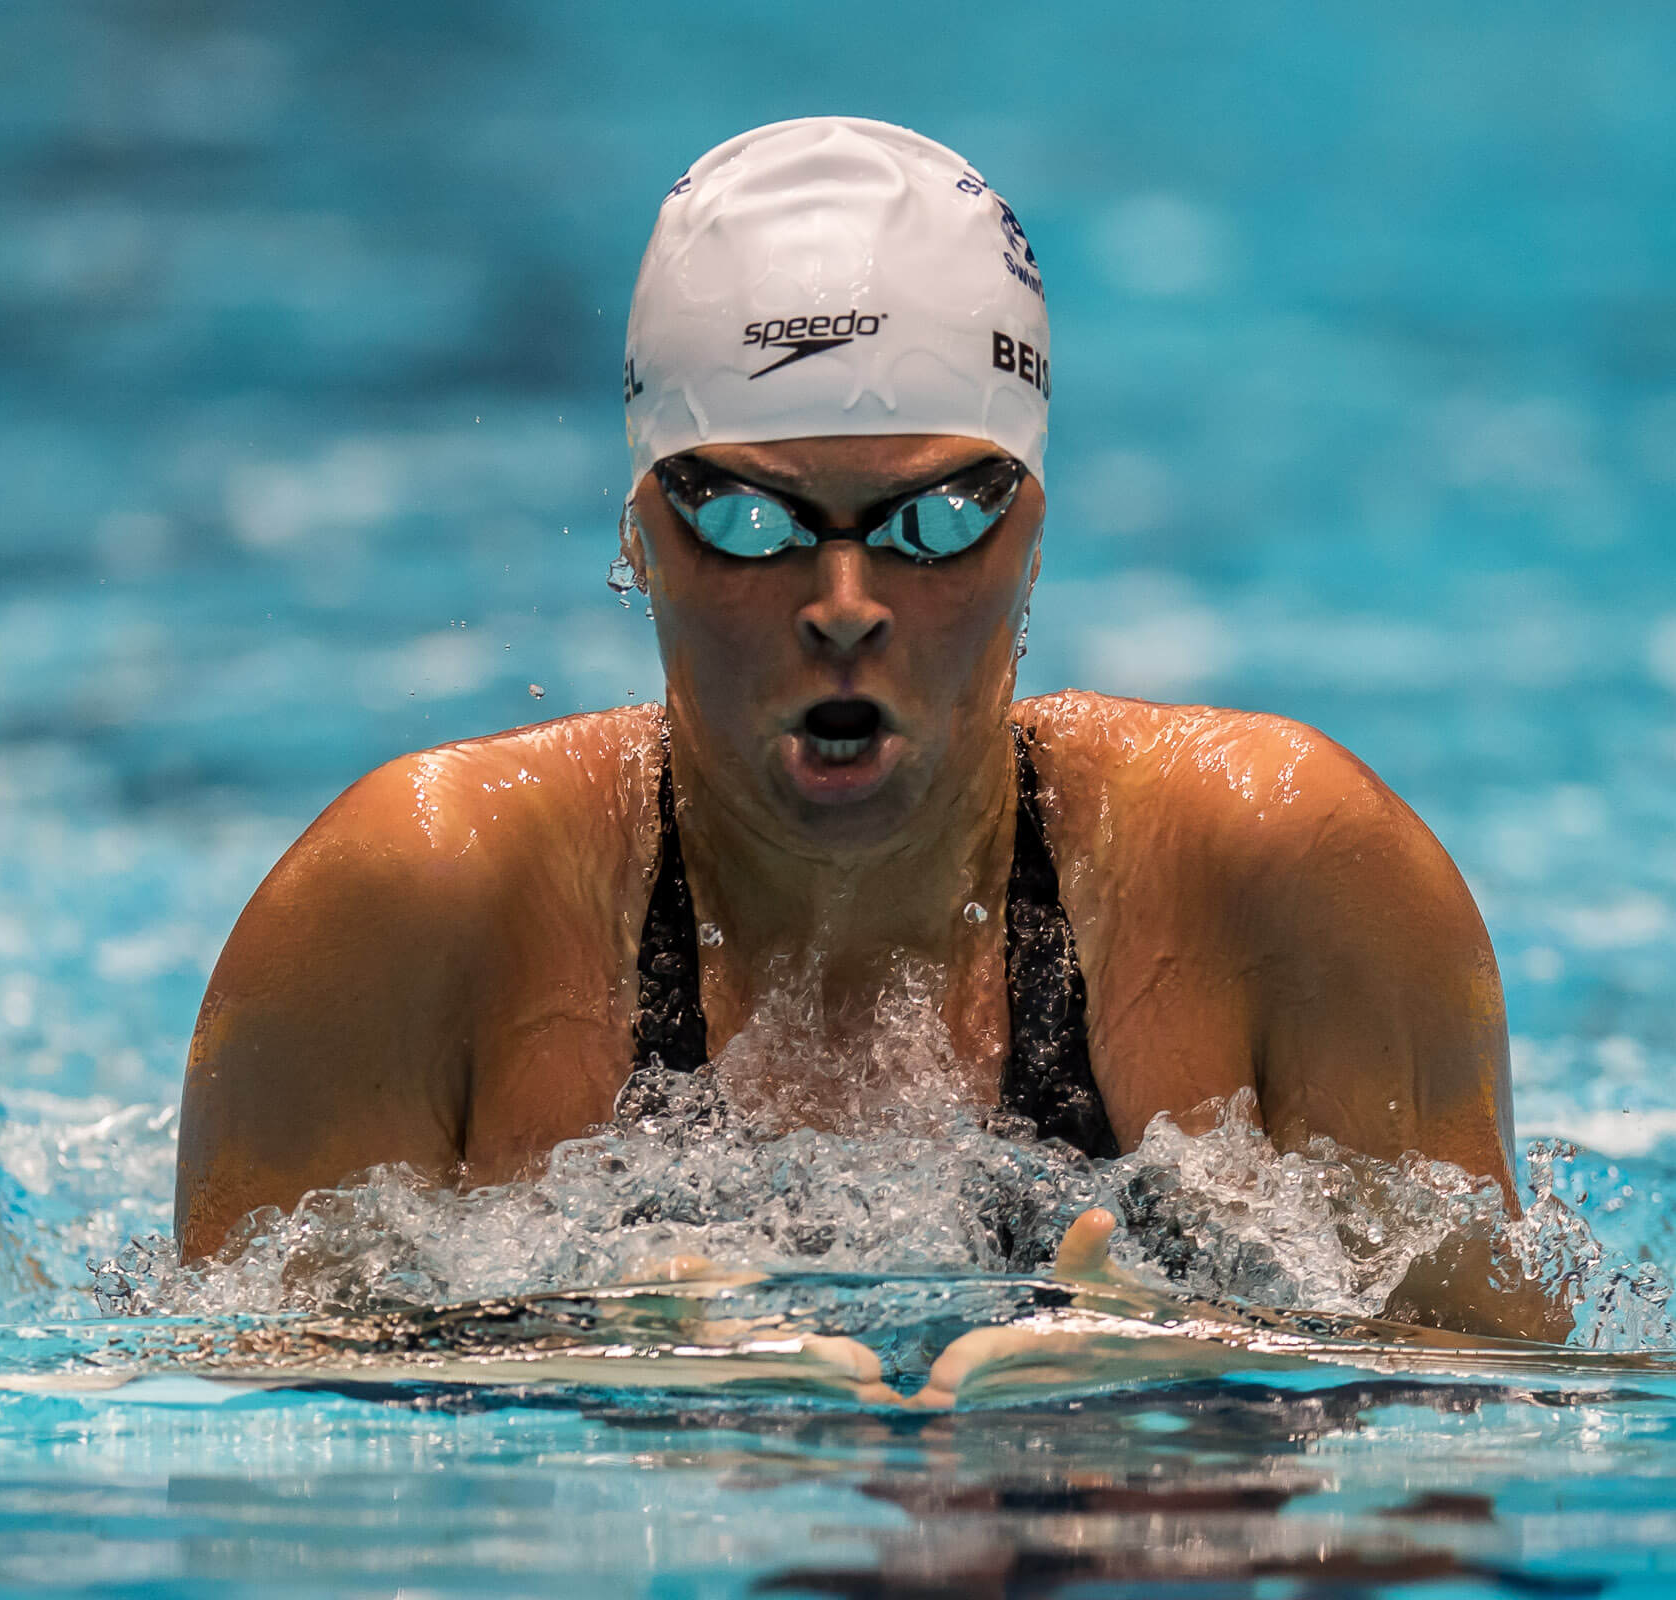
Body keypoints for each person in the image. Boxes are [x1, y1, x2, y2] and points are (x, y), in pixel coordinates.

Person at [174, 117, 1566, 1362]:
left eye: (936, 521)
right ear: (640, 531)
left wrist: (1218, 1422)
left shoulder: (1289, 871)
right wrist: (581, 1371)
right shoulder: (412, 906)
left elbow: (1520, 1434)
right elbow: (245, 1465)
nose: (846, 605)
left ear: (1031, 528)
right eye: (751, 520)